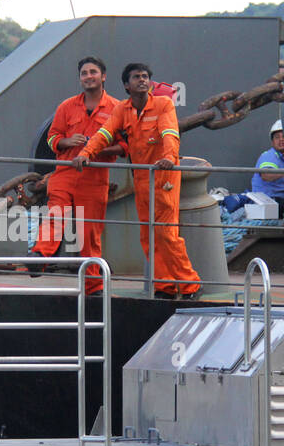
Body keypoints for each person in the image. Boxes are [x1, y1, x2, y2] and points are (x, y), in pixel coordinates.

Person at [73, 63, 201, 298]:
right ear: (126, 85)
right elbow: (104, 133)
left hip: (164, 177)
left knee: (165, 232)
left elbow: (169, 132)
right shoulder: (123, 110)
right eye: (136, 77)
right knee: (148, 234)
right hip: (142, 178)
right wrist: (85, 154)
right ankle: (164, 286)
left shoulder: (163, 104)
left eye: (145, 77)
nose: (142, 80)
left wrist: (169, 157)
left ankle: (190, 284)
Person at [29, 57, 123, 292]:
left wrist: (97, 147)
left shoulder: (117, 108)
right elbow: (51, 138)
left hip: (95, 176)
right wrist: (66, 141)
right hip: (65, 171)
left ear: (103, 76)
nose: (88, 76)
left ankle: (94, 286)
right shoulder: (66, 107)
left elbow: (124, 146)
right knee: (55, 214)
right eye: (84, 73)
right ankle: (41, 256)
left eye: (93, 72)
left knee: (90, 232)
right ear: (80, 78)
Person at [251, 119, 284, 216]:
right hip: (266, 202)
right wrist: (283, 173)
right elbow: (265, 175)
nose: (281, 139)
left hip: (279, 203)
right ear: (272, 142)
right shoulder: (268, 156)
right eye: (277, 137)